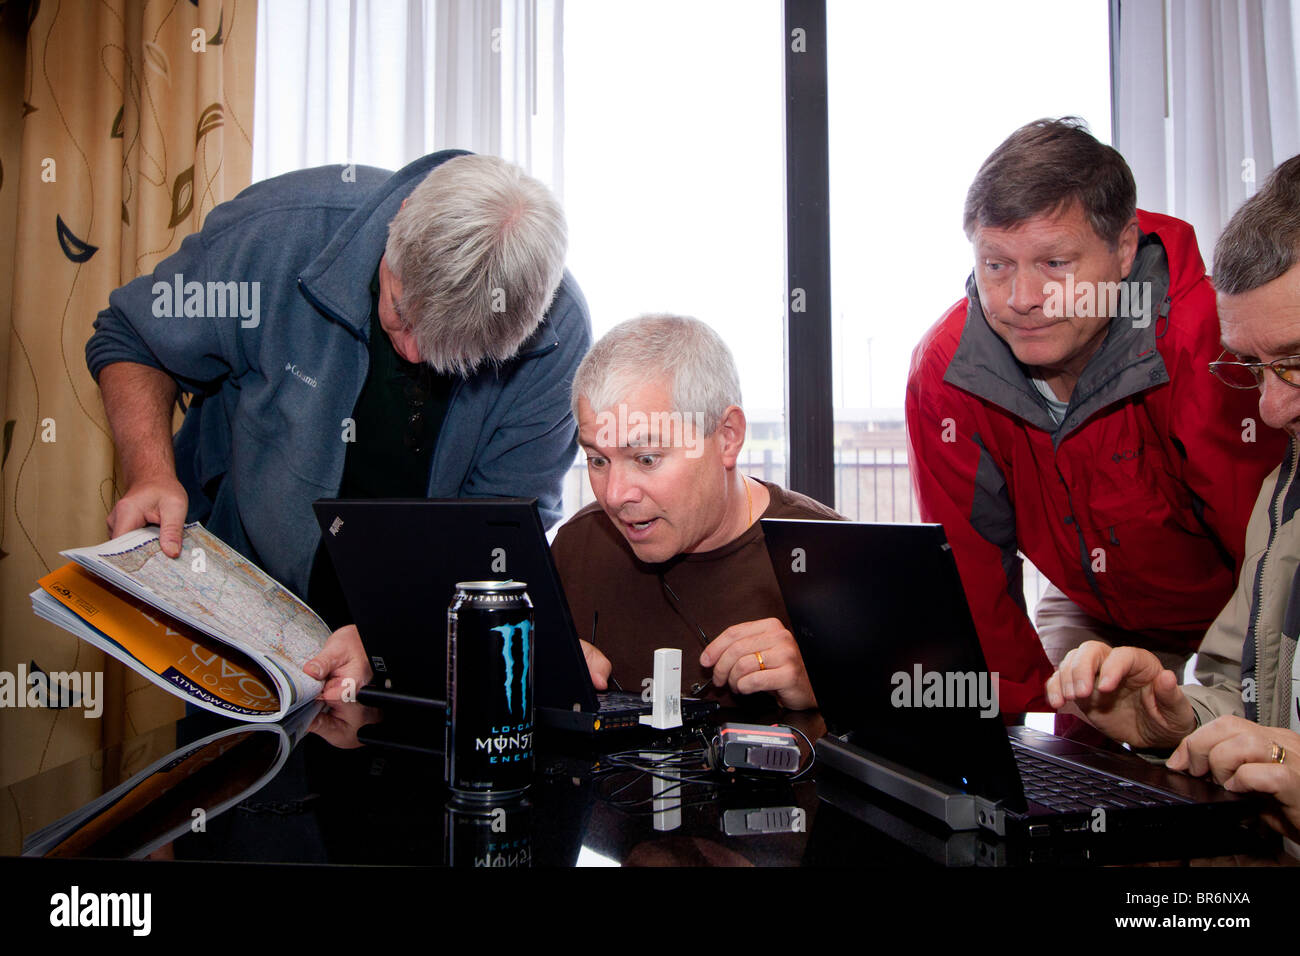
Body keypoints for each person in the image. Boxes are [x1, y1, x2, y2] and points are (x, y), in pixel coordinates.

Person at [88, 150, 591, 684]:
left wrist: (392, 628)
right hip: (245, 617)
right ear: (398, 223)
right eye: (402, 313)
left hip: (425, 645)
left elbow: (497, 532)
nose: (416, 354)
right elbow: (133, 338)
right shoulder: (276, 234)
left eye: (455, 350)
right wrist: (150, 473)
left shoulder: (557, 338)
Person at [905, 118, 1284, 714]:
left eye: (1055, 262)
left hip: (1228, 605)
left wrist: (1241, 710)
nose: (1023, 298)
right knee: (1071, 756)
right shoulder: (945, 371)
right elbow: (973, 582)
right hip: (1089, 604)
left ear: (1124, 249)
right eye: (997, 265)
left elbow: (1266, 563)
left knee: (1222, 767)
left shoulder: (1205, 341)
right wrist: (1035, 755)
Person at [1047, 155, 1300, 841]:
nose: (1272, 410)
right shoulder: (1286, 492)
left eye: (1296, 363)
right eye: (1251, 369)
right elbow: (1244, 703)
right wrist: (1173, 721)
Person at [551, 314, 841, 711]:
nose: (614, 495)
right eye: (597, 460)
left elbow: (927, 742)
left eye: (646, 458)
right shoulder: (576, 548)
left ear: (727, 438)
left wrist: (827, 691)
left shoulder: (834, 556)